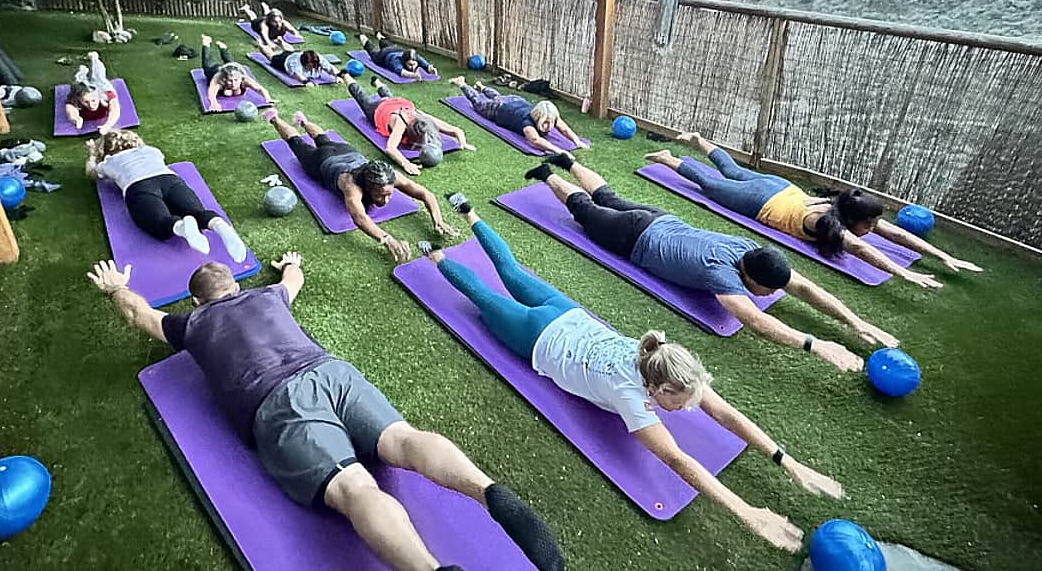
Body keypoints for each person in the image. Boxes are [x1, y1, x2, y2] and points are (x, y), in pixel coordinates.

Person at [418, 196, 845, 554]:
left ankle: (468, 211)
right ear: (658, 389)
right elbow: (678, 460)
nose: (690, 407)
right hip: (536, 337)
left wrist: (787, 461)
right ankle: (434, 255)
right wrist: (747, 513)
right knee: (482, 294)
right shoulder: (632, 397)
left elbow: (725, 413)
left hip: (567, 314)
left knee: (512, 272)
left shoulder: (661, 356)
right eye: (682, 401)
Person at [87, 254, 564, 571]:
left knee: (357, 488)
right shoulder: (269, 294)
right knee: (403, 438)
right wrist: (290, 264)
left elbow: (140, 315)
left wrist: (116, 289)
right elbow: (293, 278)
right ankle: (488, 491)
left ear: (197, 300)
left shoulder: (191, 322)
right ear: (234, 285)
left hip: (276, 401)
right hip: (330, 372)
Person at [524, 153, 900, 372]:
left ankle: (570, 161)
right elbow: (757, 321)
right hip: (633, 237)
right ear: (751, 279)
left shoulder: (751, 249)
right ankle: (548, 174)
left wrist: (857, 323)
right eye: (768, 290)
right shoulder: (721, 276)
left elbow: (805, 287)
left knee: (609, 195)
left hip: (659, 219)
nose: (771, 293)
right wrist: (816, 345)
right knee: (585, 209)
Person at [648, 132, 983, 285]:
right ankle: (669, 158)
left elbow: (896, 234)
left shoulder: (847, 210)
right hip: (762, 202)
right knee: (711, 186)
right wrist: (904, 273)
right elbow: (864, 251)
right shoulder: (830, 224)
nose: (874, 228)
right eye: (870, 224)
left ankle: (700, 140)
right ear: (854, 220)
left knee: (733, 171)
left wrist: (943, 256)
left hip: (781, 188)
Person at [263, 108, 458, 262]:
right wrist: (387, 239)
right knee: (296, 141)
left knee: (323, 138)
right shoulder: (351, 186)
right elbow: (360, 217)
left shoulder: (390, 176)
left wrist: (438, 220)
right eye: (380, 195)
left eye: (389, 194)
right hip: (322, 161)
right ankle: (274, 118)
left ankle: (304, 122)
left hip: (346, 151)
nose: (385, 200)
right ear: (367, 186)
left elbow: (425, 194)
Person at [85, 130, 248, 262]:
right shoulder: (152, 151)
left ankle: (180, 227)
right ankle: (219, 225)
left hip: (139, 185)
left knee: (157, 221)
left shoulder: (110, 161)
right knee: (197, 212)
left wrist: (92, 154)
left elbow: (91, 172)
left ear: (107, 151)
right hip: (171, 180)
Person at [340, 70, 474, 174]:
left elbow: (456, 130)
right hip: (380, 110)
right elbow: (390, 148)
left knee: (388, 96)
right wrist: (406, 164)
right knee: (362, 98)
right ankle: (345, 75)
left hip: (398, 103)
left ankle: (378, 83)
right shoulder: (401, 123)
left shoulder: (424, 119)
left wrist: (463, 143)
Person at [448, 76, 589, 154]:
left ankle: (482, 87)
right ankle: (462, 83)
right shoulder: (527, 123)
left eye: (550, 122)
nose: (549, 126)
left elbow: (564, 129)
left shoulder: (551, 116)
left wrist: (577, 142)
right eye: (545, 123)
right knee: (479, 103)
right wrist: (558, 150)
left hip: (515, 100)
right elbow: (535, 140)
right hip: (499, 109)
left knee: (498, 96)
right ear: (537, 117)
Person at [202, 35, 272, 112]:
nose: (233, 83)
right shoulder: (219, 79)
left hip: (233, 69)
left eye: (236, 80)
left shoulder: (244, 80)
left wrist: (267, 98)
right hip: (215, 71)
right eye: (230, 81)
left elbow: (259, 88)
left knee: (231, 64)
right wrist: (214, 103)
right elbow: (211, 92)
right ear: (225, 79)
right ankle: (206, 43)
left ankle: (223, 48)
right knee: (207, 63)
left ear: (241, 79)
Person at [252, 32, 339, 86]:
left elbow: (330, 68)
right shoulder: (295, 64)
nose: (312, 68)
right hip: (284, 60)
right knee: (270, 56)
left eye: (313, 66)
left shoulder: (318, 59)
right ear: (303, 63)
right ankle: (260, 44)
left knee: (291, 51)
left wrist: (338, 76)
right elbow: (298, 76)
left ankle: (281, 42)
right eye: (310, 66)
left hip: (296, 53)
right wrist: (307, 82)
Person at [64, 51, 121, 132]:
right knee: (79, 77)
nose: (91, 105)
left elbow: (115, 110)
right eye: (86, 102)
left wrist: (108, 125)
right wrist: (76, 119)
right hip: (81, 85)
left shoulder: (107, 94)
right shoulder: (75, 96)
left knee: (99, 74)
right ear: (80, 99)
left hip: (101, 84)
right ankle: (83, 69)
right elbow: (70, 109)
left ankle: (94, 57)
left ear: (98, 96)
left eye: (93, 100)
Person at [361, 33, 436, 81]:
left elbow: (423, 62)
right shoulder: (396, 60)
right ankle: (365, 40)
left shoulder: (414, 57)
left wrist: (430, 68)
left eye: (414, 64)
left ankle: (380, 37)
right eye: (410, 65)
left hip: (396, 49)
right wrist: (414, 75)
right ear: (404, 61)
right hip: (384, 55)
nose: (412, 67)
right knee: (373, 54)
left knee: (388, 44)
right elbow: (401, 72)